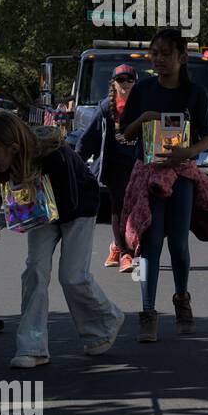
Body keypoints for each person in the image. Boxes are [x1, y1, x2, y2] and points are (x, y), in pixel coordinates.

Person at [0, 111, 124, 368]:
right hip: (44, 212)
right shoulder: (0, 167)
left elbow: (68, 202)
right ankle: (33, 347)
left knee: (72, 276)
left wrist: (26, 207)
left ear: (14, 148)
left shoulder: (54, 156)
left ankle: (106, 322)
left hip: (78, 208)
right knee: (35, 272)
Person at [119, 28, 208, 340]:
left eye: (165, 54)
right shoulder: (143, 90)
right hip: (147, 175)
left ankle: (182, 299)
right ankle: (147, 312)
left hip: (182, 175)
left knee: (177, 242)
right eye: (154, 54)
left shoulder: (195, 93)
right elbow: (126, 133)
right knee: (150, 241)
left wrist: (188, 152)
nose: (158, 59)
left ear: (181, 57)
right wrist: (145, 117)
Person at [76, 63, 140, 272]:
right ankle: (125, 254)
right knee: (119, 208)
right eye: (121, 80)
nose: (126, 84)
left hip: (138, 165)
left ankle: (117, 246)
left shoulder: (143, 107)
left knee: (137, 210)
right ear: (113, 83)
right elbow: (88, 140)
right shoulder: (105, 108)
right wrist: (75, 165)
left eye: (130, 80)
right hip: (115, 167)